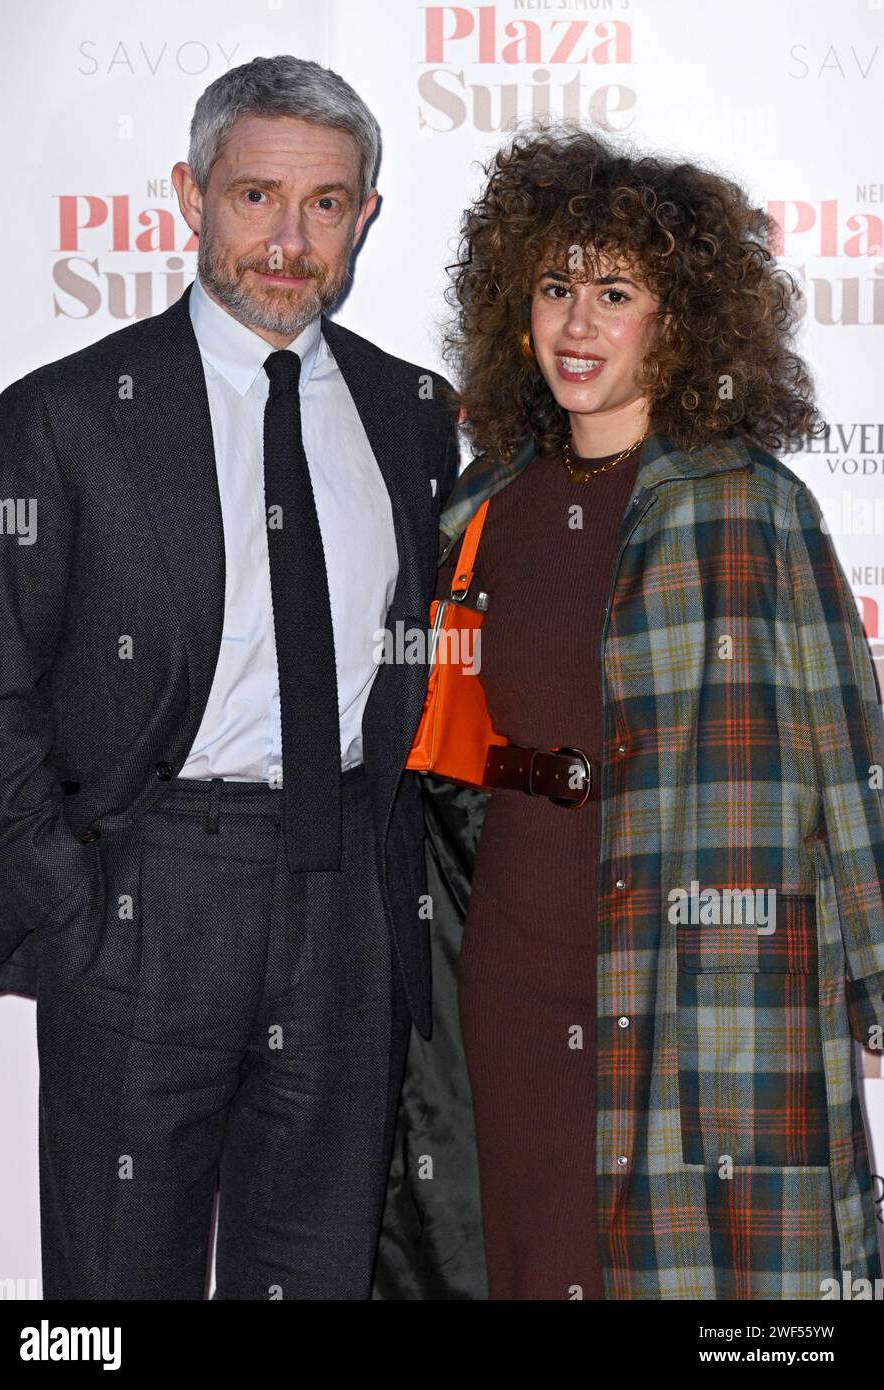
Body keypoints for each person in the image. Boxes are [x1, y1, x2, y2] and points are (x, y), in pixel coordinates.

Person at [0, 54, 459, 1299]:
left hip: (348, 899)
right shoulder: (66, 414)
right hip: (146, 894)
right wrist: (69, 907)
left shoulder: (412, 412)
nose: (289, 241)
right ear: (190, 195)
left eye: (326, 204)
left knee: (315, 1272)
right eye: (255, 197)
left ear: (365, 216)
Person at [374, 124, 884, 1301]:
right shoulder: (482, 504)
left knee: (707, 1284)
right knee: (536, 1259)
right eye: (554, 288)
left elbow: (844, 752)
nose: (576, 323)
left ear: (682, 318)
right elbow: (455, 746)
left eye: (615, 292)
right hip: (512, 963)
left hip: (704, 970)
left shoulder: (750, 505)